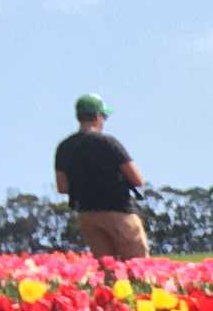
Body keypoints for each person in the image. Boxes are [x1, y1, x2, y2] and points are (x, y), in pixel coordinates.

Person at [54, 94, 148, 261]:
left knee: (108, 271)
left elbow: (62, 187)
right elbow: (137, 180)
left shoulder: (64, 147)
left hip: (87, 215)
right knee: (137, 268)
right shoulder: (108, 142)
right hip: (119, 212)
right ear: (97, 116)